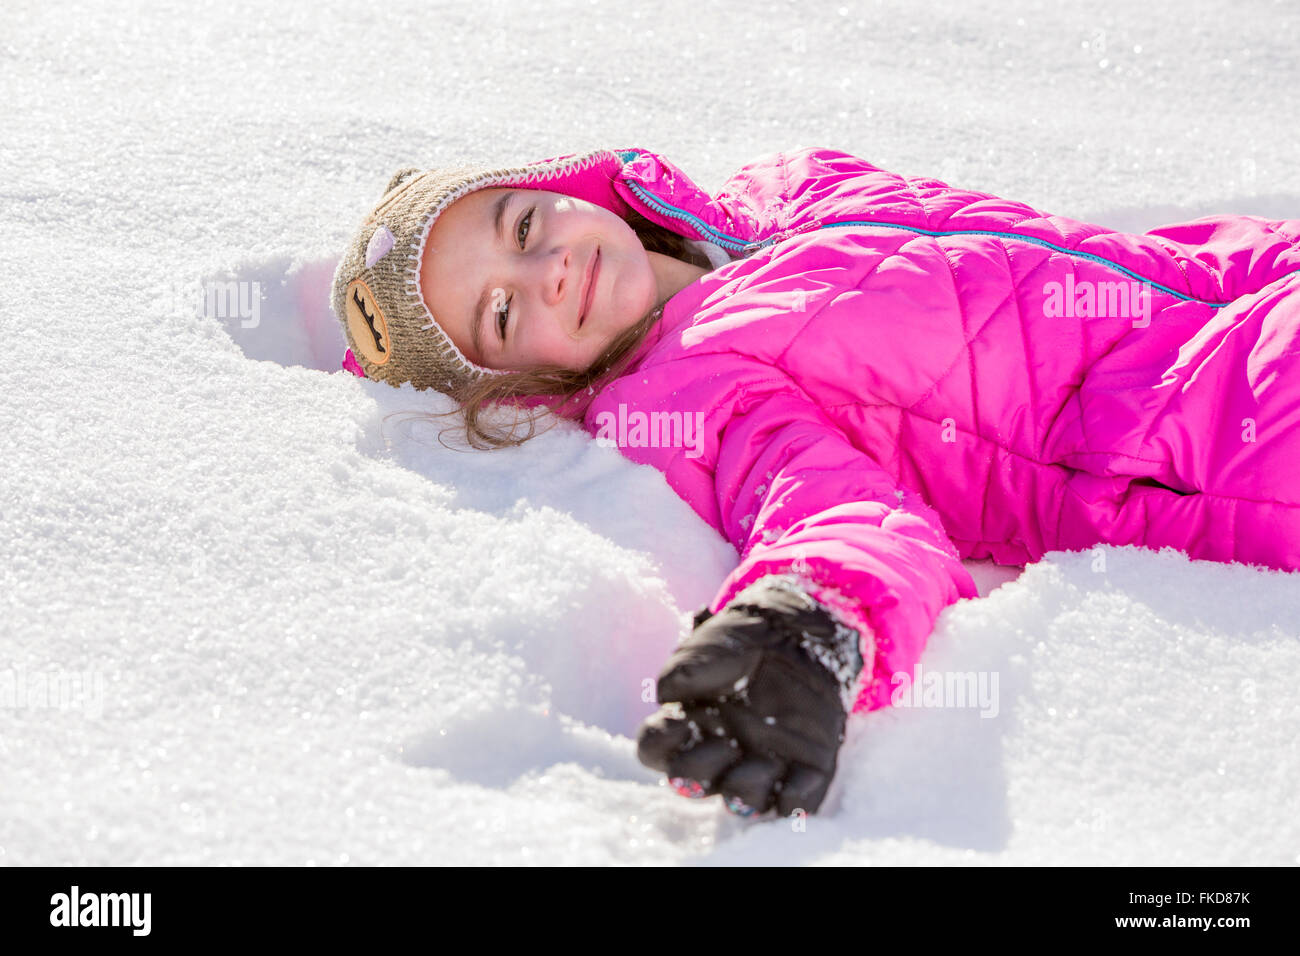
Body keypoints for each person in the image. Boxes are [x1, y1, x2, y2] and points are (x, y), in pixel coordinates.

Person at [329, 146, 1300, 817]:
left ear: (566, 187)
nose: (543, 267)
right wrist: (808, 622)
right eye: (501, 313)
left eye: (523, 221)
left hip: (1250, 273)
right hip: (1219, 429)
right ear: (521, 385)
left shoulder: (788, 186)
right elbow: (837, 509)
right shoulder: (681, 392)